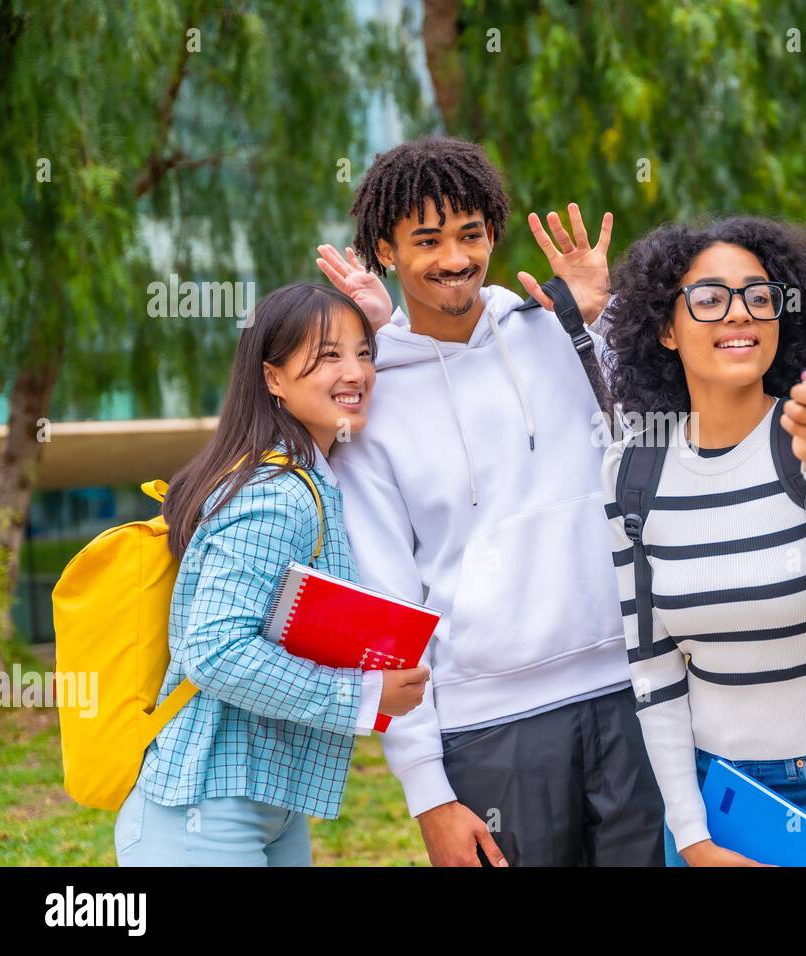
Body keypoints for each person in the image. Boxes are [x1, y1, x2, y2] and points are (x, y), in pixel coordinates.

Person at [320, 135, 664, 866]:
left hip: (629, 694)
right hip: (488, 729)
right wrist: (429, 796)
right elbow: (387, 604)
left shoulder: (558, 335)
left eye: (470, 234)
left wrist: (602, 319)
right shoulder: (372, 403)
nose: (454, 258)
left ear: (493, 234)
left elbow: (657, 442)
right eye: (428, 239)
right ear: (386, 248)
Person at [601, 217, 806, 866]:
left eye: (758, 295)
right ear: (666, 327)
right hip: (722, 796)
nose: (738, 314)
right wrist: (691, 837)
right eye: (710, 298)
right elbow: (653, 668)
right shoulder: (633, 469)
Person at [115, 283, 428, 866]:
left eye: (364, 353)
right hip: (202, 815)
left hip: (262, 806)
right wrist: (361, 695)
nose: (355, 372)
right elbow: (216, 649)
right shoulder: (278, 494)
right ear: (273, 378)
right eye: (328, 355)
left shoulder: (310, 476)